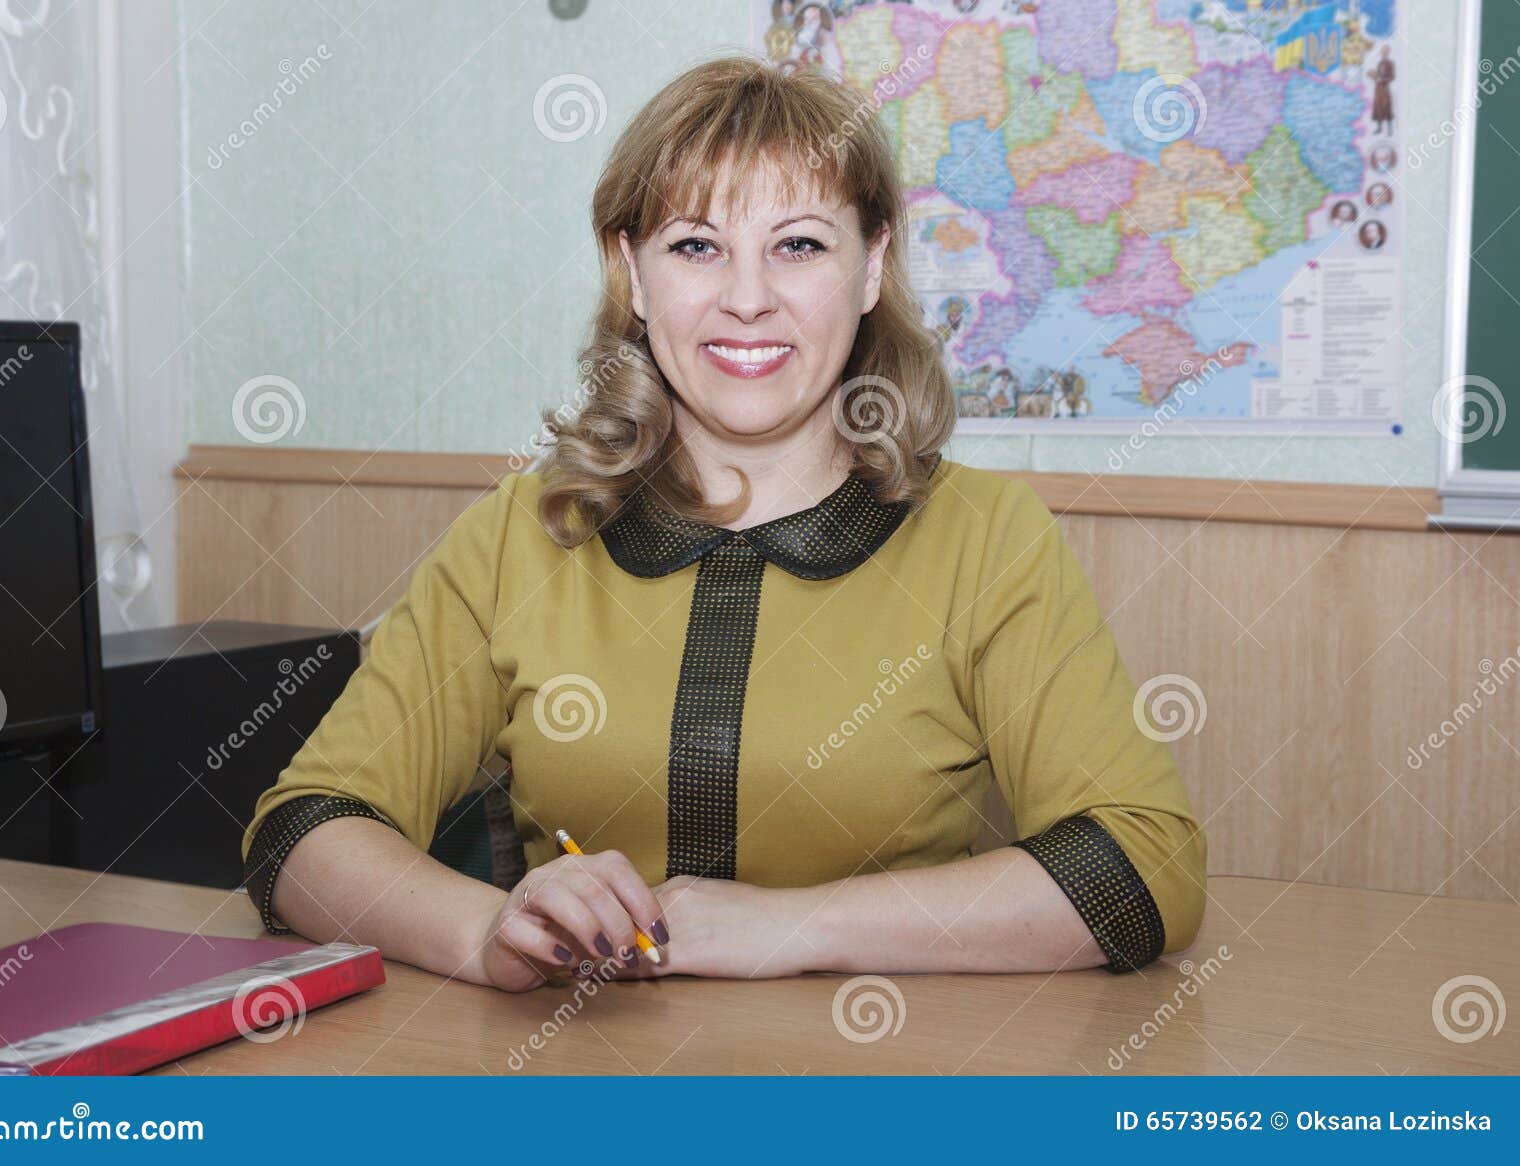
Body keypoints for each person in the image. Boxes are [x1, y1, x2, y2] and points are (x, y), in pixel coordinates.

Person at [240, 56, 1207, 993]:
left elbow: (1142, 864)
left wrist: (794, 927)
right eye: (697, 246)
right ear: (632, 270)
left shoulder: (987, 536)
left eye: (799, 245)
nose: (748, 299)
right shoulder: (521, 532)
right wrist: (485, 931)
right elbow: (302, 835)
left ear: (871, 266)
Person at [1367, 45, 1394, 136]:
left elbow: (1392, 77)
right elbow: (1378, 74)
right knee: (1378, 107)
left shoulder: (1390, 64)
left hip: (1385, 88)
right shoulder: (1380, 63)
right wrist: (1373, 75)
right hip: (1378, 88)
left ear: (1388, 52)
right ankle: (1379, 128)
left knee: (1386, 107)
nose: (1383, 53)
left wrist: (1382, 80)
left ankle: (1390, 129)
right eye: (1382, 51)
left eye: (1385, 51)